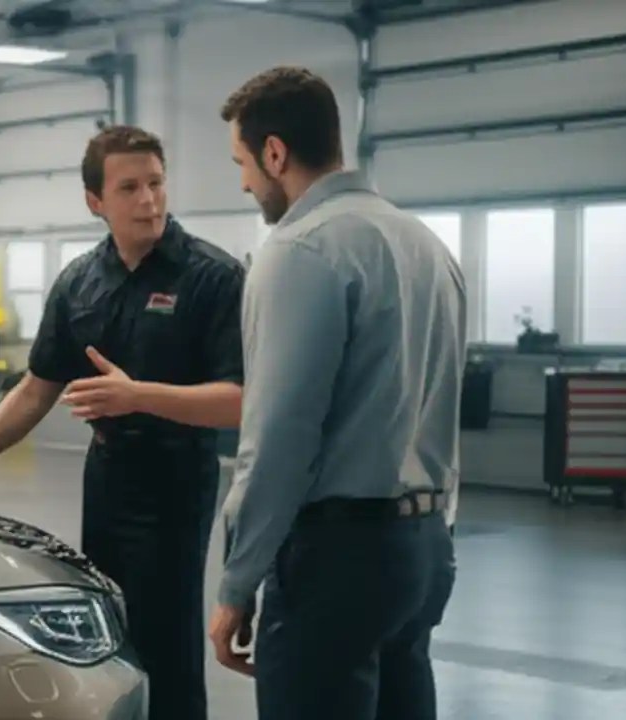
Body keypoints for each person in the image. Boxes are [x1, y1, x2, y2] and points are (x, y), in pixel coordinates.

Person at [0, 125, 247, 720]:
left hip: (176, 478)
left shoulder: (211, 277)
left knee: (168, 646)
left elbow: (237, 399)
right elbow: (36, 390)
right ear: (96, 202)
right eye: (130, 187)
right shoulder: (80, 281)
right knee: (103, 635)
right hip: (107, 475)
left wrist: (136, 396)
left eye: (157, 184)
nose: (149, 200)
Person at [207, 66, 466, 720]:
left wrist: (237, 582)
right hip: (424, 549)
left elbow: (278, 439)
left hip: (338, 558)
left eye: (242, 162)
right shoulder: (427, 246)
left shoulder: (299, 249)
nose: (242, 182)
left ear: (275, 152)